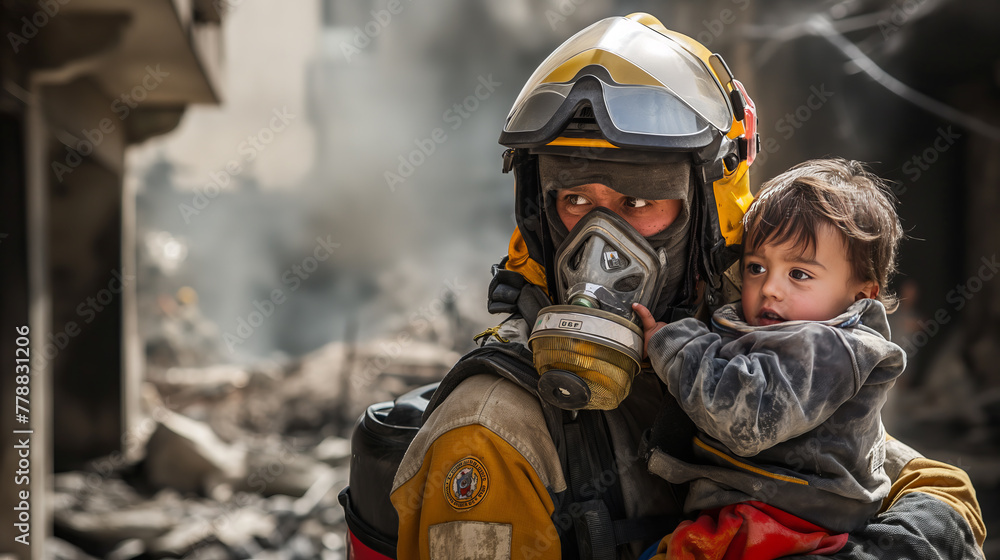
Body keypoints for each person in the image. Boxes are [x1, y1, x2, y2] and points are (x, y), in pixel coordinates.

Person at [386, 13, 986, 560]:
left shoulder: (731, 345)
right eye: (574, 200)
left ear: (711, 214)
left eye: (640, 200)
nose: (601, 241)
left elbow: (926, 483)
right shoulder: (492, 430)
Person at [633, 159, 904, 559]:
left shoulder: (832, 348)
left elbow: (747, 421)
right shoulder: (771, 327)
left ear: (860, 296)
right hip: (756, 508)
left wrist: (672, 345)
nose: (770, 288)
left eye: (799, 274)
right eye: (756, 267)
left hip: (794, 520)